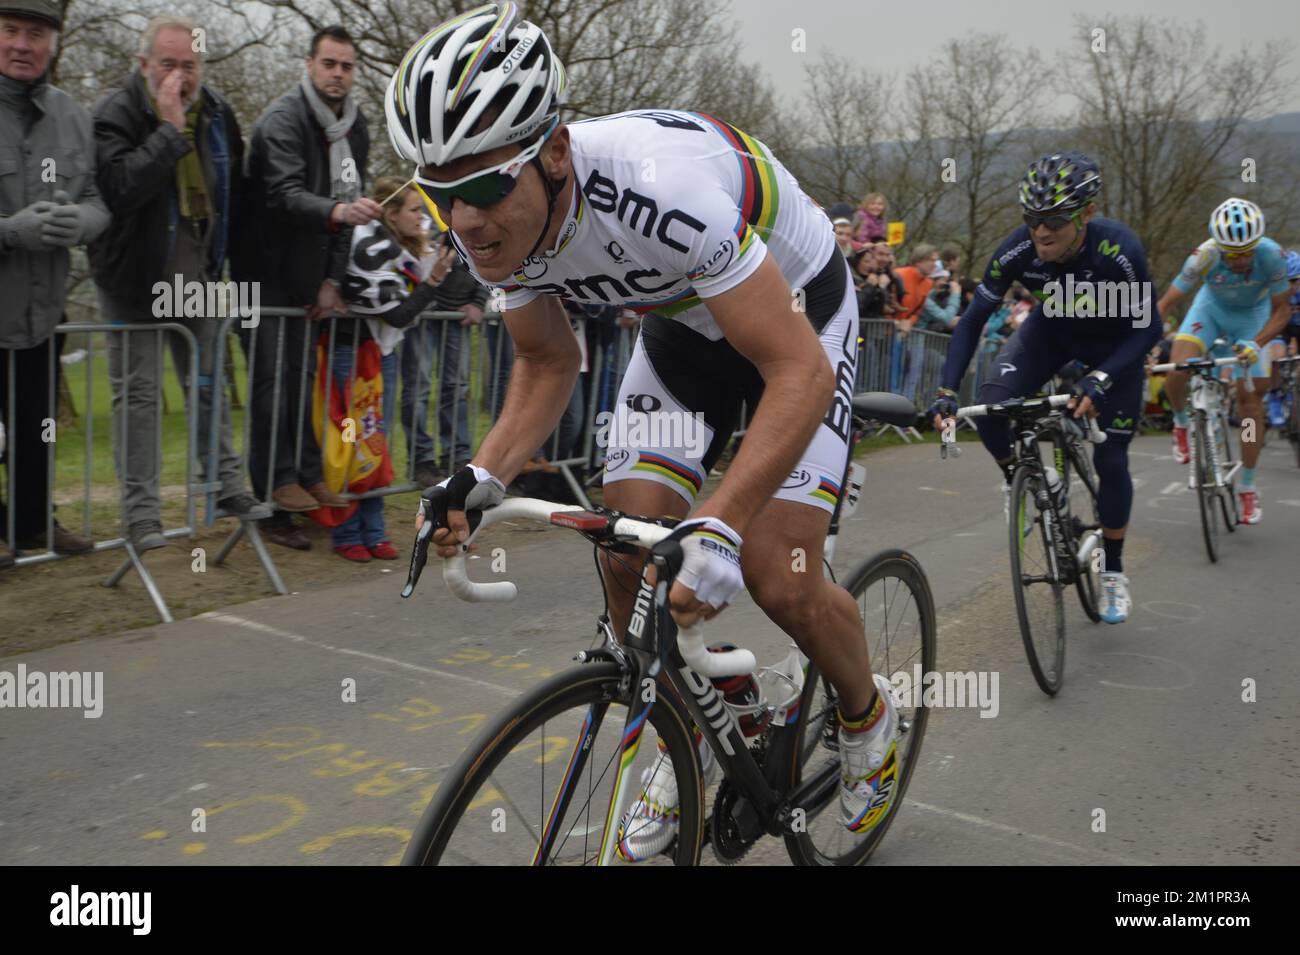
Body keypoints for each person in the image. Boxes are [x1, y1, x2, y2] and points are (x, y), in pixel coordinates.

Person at [390, 3, 899, 856]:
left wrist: (724, 524)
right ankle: (694, 730)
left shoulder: (657, 188)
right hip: (684, 326)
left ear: (555, 153)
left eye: (482, 189)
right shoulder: (504, 230)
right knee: (625, 541)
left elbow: (797, 372)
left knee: (780, 572)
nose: (465, 222)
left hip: (799, 319)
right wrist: (482, 477)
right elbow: (548, 362)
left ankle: (867, 719)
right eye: (440, 198)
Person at [929, 151, 1162, 624]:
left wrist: (1101, 378)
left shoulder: (1119, 250)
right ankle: (1034, 483)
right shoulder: (1018, 250)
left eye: (1054, 219)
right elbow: (973, 321)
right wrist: (947, 391)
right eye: (1032, 218)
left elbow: (1148, 329)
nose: (1041, 231)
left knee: (1112, 458)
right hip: (1051, 333)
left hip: (1116, 350)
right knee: (992, 408)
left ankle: (1113, 572)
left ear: (1087, 214)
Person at [90, 14, 272, 552]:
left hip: (197, 276)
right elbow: (118, 189)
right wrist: (169, 130)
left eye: (189, 65)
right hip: (131, 278)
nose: (179, 76)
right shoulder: (114, 112)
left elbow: (233, 197)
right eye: (167, 64)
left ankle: (226, 485)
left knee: (209, 384)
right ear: (143, 64)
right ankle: (142, 517)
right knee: (139, 399)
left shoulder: (216, 113)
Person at [242, 24, 378, 551]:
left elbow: (352, 206)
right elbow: (282, 195)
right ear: (309, 64)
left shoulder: (354, 127)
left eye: (346, 66)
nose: (338, 74)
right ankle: (273, 493)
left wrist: (331, 280)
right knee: (271, 383)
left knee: (302, 381)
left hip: (308, 277)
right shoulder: (283, 120)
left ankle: (303, 475)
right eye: (329, 64)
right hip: (265, 274)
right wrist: (337, 211)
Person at [0, 0, 107, 566]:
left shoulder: (73, 115)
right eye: (11, 30)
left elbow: (97, 204)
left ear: (51, 42)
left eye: (35, 33)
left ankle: (36, 522)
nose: (22, 44)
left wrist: (81, 222)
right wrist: (9, 232)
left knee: (36, 430)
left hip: (43, 314)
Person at [332, 176, 456, 559]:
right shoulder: (370, 247)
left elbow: (405, 307)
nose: (423, 220)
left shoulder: (402, 252)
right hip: (349, 351)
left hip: (378, 355)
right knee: (351, 442)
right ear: (391, 213)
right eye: (416, 211)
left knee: (375, 440)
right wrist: (433, 279)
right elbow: (401, 314)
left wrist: (432, 275)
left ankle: (374, 529)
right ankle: (347, 533)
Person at [1155, 198, 1290, 525]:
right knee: (1178, 369)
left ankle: (1247, 486)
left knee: (1250, 404)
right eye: (1234, 253)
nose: (1242, 259)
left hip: (1252, 318)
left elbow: (1283, 311)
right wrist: (1142, 342)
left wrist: (1257, 344)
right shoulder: (1205, 255)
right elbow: (1167, 303)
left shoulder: (1272, 256)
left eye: (1248, 251)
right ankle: (1181, 423)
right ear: (1220, 246)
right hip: (1210, 310)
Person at [398, 211, 489, 490]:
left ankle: (458, 456)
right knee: (419, 386)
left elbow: (492, 259)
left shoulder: (480, 213)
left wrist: (479, 302)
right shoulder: (425, 209)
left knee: (457, 386)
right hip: (423, 312)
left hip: (458, 313)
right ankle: (422, 461)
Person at [893, 244, 939, 400]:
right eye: (931, 260)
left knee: (915, 369)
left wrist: (910, 322)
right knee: (895, 371)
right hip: (892, 328)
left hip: (909, 329)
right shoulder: (900, 274)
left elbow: (918, 310)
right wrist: (899, 323)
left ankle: (906, 407)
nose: (935, 264)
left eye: (936, 260)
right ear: (919, 261)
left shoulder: (928, 283)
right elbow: (890, 303)